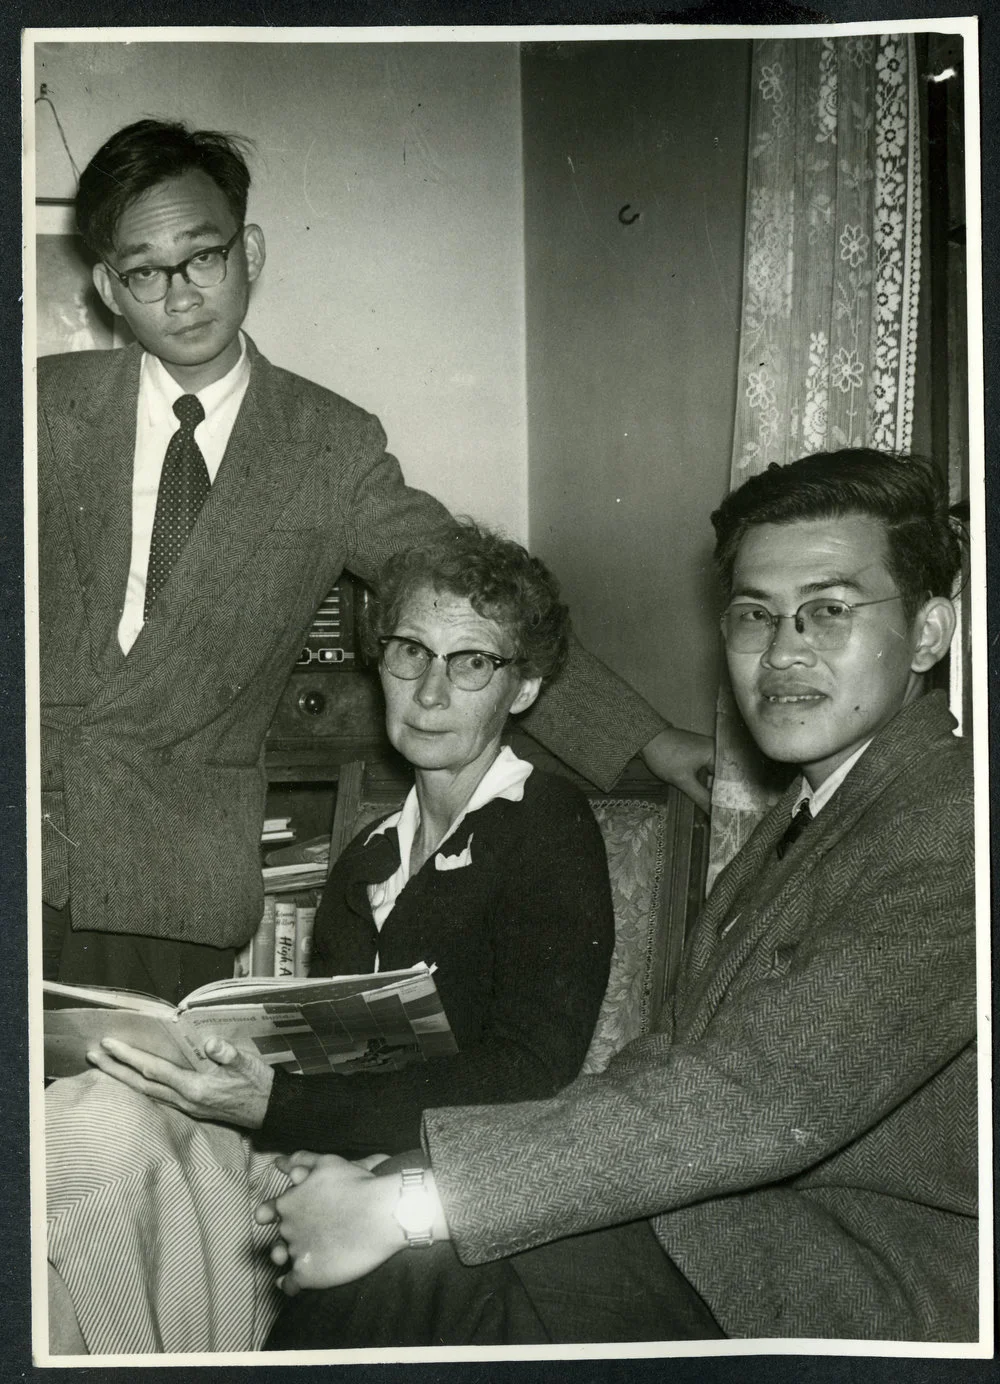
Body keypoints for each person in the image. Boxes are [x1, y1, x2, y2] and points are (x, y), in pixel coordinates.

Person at [260, 450, 978, 1346]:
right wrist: (418, 1172)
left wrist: (414, 1199)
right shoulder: (810, 812)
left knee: (423, 1268)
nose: (784, 649)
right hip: (742, 1230)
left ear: (929, 633)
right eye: (755, 613)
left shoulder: (956, 828)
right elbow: (668, 1060)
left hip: (870, 1283)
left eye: (829, 611)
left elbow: (758, 1096)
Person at [38, 118, 711, 1004]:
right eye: (146, 272)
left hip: (165, 874)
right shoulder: (41, 404)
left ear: (251, 251)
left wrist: (649, 741)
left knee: (128, 1137)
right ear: (108, 288)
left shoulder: (329, 445)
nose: (182, 293)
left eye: (202, 257)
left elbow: (485, 602)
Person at [45, 524, 616, 1354]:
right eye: (409, 652)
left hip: (424, 1173)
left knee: (102, 1162)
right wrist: (227, 1064)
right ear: (378, 658)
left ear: (521, 689)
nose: (428, 692)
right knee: (90, 1116)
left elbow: (531, 1069)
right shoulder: (369, 854)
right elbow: (322, 1052)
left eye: (471, 663)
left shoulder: (547, 826)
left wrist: (281, 1106)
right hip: (315, 1141)